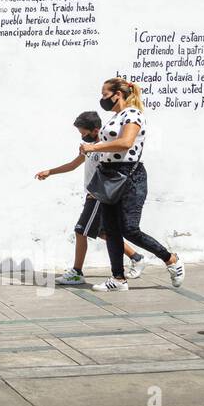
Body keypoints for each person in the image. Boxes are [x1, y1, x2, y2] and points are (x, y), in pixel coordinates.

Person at [84, 77, 185, 292]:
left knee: (129, 228)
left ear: (117, 94)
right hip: (109, 175)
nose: (102, 99)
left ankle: (171, 259)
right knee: (111, 230)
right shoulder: (115, 117)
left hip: (129, 176)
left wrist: (95, 147)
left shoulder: (133, 115)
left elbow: (126, 142)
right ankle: (118, 279)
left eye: (105, 95)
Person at [36, 110, 143, 285]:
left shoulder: (105, 146)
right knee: (103, 233)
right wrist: (50, 172)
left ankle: (77, 272)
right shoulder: (89, 147)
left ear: (95, 129)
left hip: (98, 195)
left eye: (83, 132)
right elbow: (73, 165)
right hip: (91, 195)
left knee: (80, 230)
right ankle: (136, 257)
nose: (82, 136)